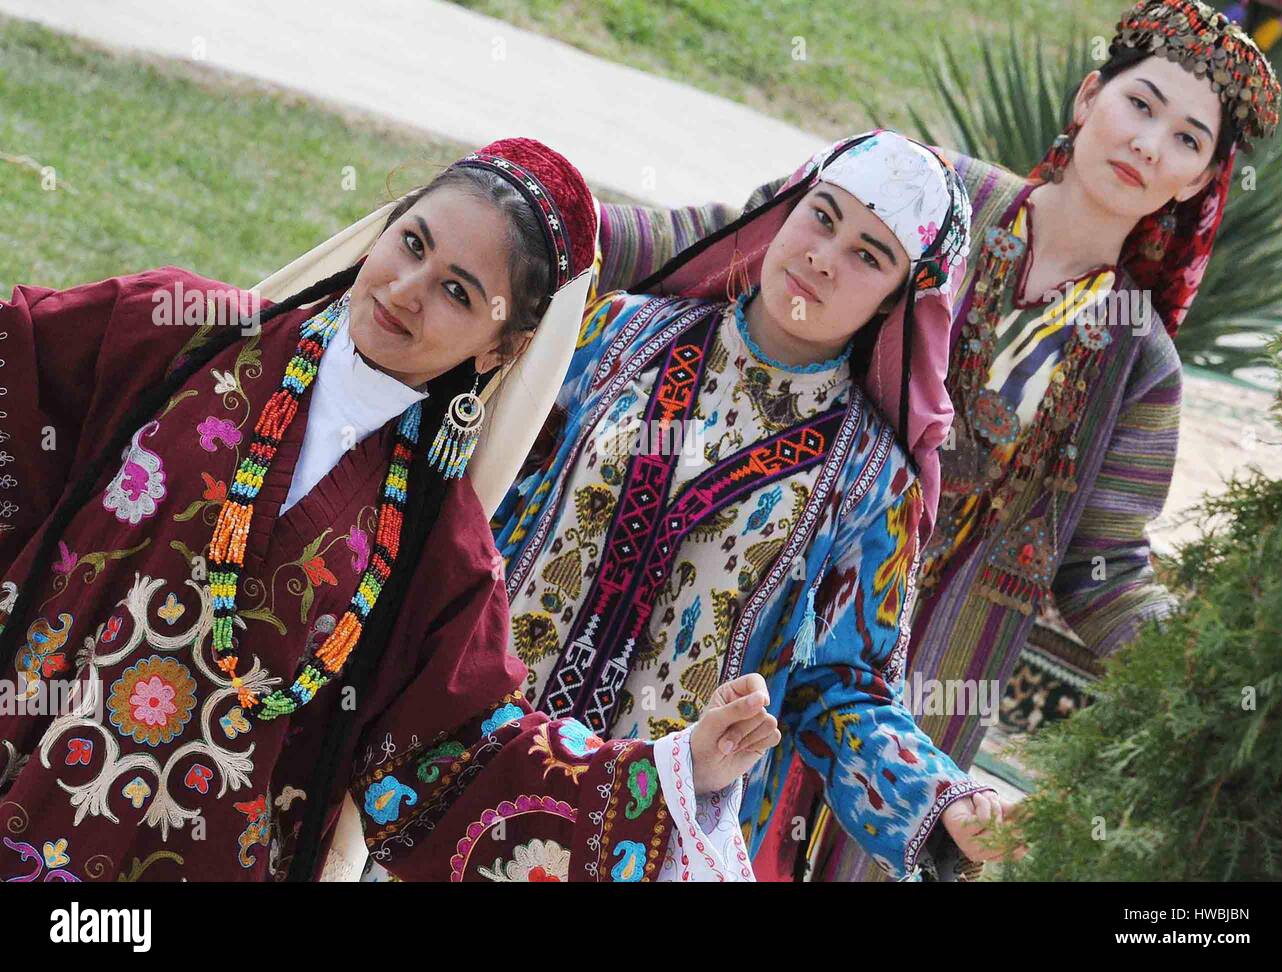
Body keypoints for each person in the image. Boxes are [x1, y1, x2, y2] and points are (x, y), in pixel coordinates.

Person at [588, 0, 1282, 880]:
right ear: (1087, 98)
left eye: (1187, 139)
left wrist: (1215, 676)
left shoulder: (1139, 365)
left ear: (1197, 183)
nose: (1149, 145)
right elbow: (733, 243)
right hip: (759, 586)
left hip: (926, 693)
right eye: (1140, 105)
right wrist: (549, 222)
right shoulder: (932, 196)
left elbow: (1104, 567)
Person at [0, 137, 778, 882]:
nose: (407, 292)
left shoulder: (440, 545)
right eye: (412, 244)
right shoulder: (183, 334)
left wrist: (681, 769)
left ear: (499, 348)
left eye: (457, 292)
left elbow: (466, 754)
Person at [492, 130, 1017, 881]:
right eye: (823, 216)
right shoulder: (620, 334)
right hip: (479, 752)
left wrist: (942, 802)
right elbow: (486, 500)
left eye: (869, 256)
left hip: (650, 830)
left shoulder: (873, 488)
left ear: (898, 300)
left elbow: (839, 691)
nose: (823, 257)